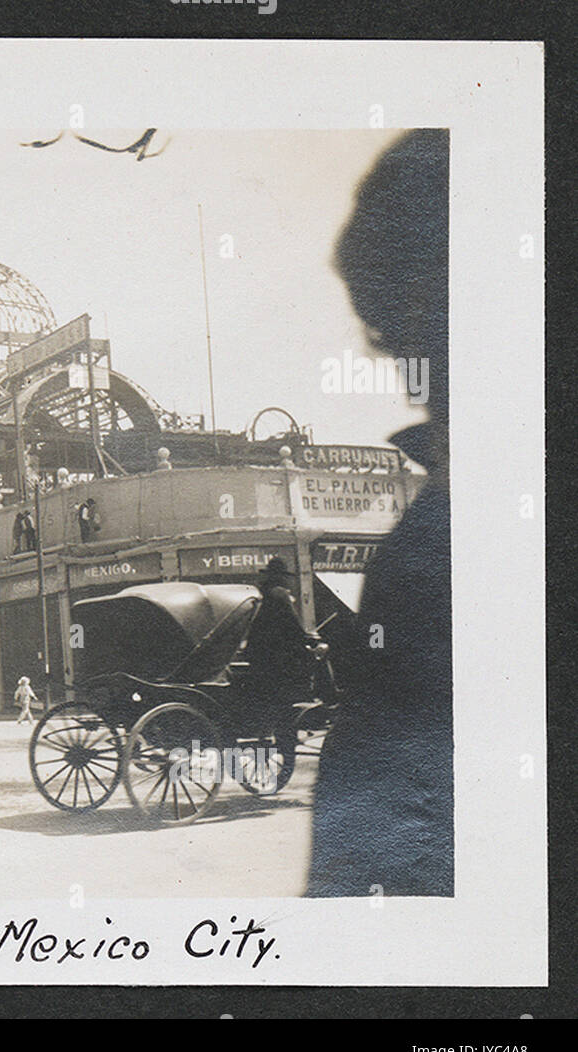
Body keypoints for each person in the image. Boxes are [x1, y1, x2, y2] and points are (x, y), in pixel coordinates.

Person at [307, 130, 452, 898]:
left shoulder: (426, 552)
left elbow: (357, 878)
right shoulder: (426, 538)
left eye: (407, 343)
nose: (410, 383)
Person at [241, 557, 313, 747]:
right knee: (303, 670)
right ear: (281, 578)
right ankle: (311, 708)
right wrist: (307, 639)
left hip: (258, 654)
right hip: (276, 656)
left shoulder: (260, 594)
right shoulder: (280, 594)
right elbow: (292, 625)